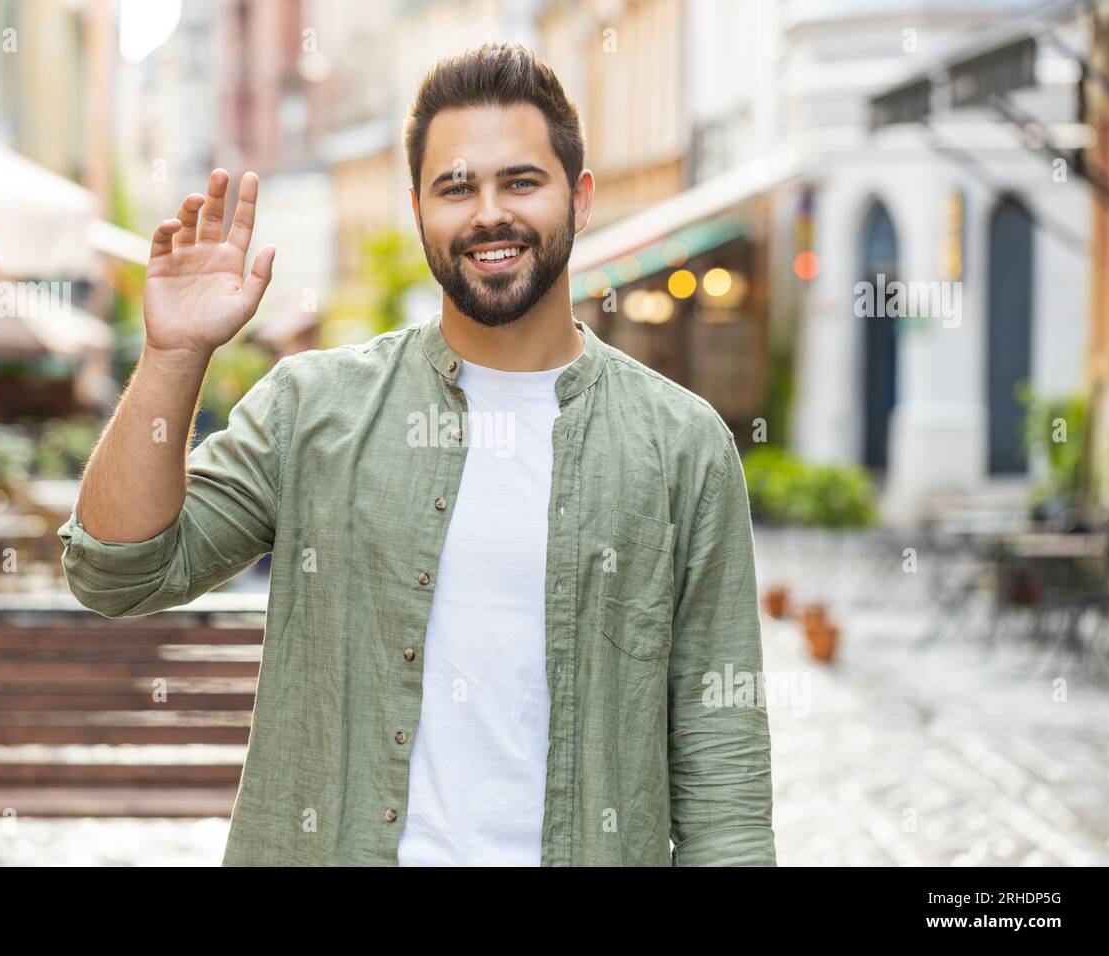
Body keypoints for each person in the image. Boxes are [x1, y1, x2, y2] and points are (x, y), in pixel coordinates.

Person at [57, 41, 776, 867]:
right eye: (457, 187)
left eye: (521, 181)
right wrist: (174, 355)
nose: (488, 215)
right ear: (418, 208)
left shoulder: (681, 446)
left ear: (578, 198)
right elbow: (115, 573)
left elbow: (725, 774)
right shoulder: (313, 408)